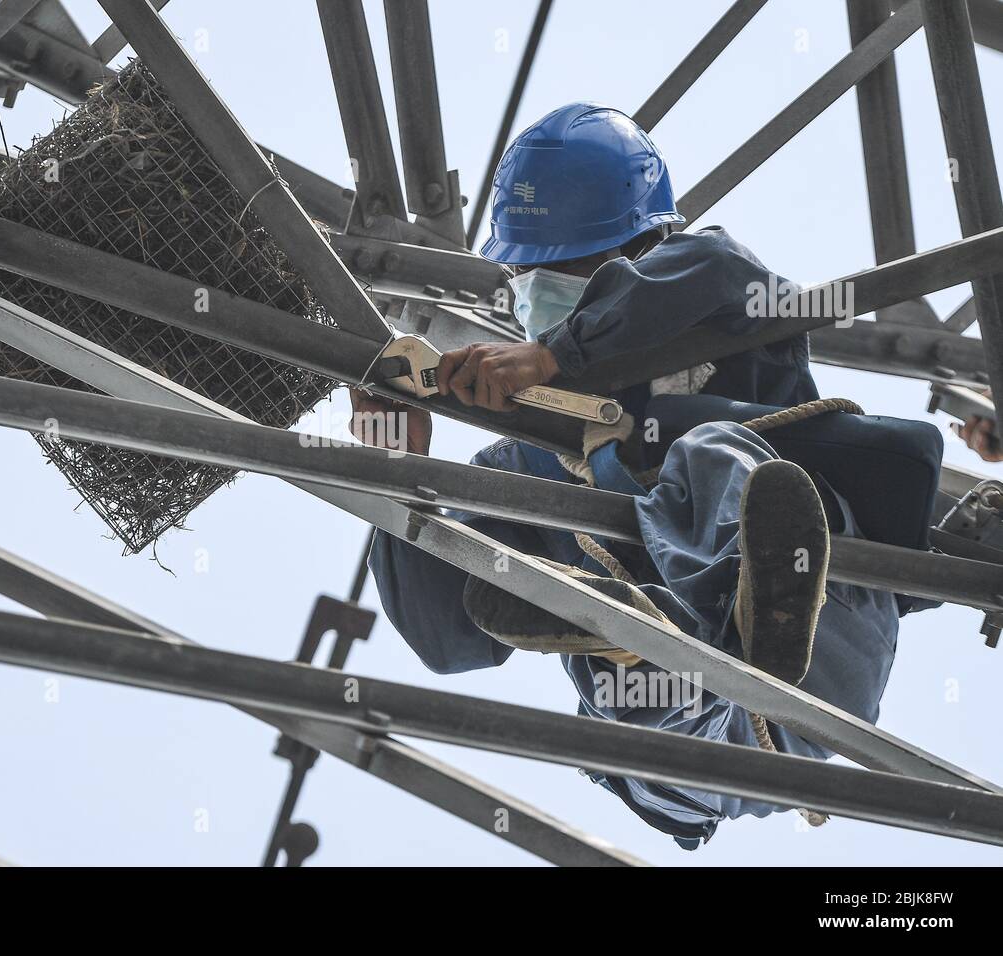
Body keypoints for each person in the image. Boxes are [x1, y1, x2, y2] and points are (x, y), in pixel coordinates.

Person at [350, 102, 927, 848]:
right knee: (614, 655)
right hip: (680, 750)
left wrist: (560, 354)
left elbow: (714, 267)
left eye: (570, 271)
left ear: (646, 248)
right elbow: (446, 637)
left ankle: (737, 612)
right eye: (532, 274)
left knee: (710, 451)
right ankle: (646, 635)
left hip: (826, 654)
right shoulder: (522, 463)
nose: (540, 292)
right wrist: (395, 462)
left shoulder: (729, 314)